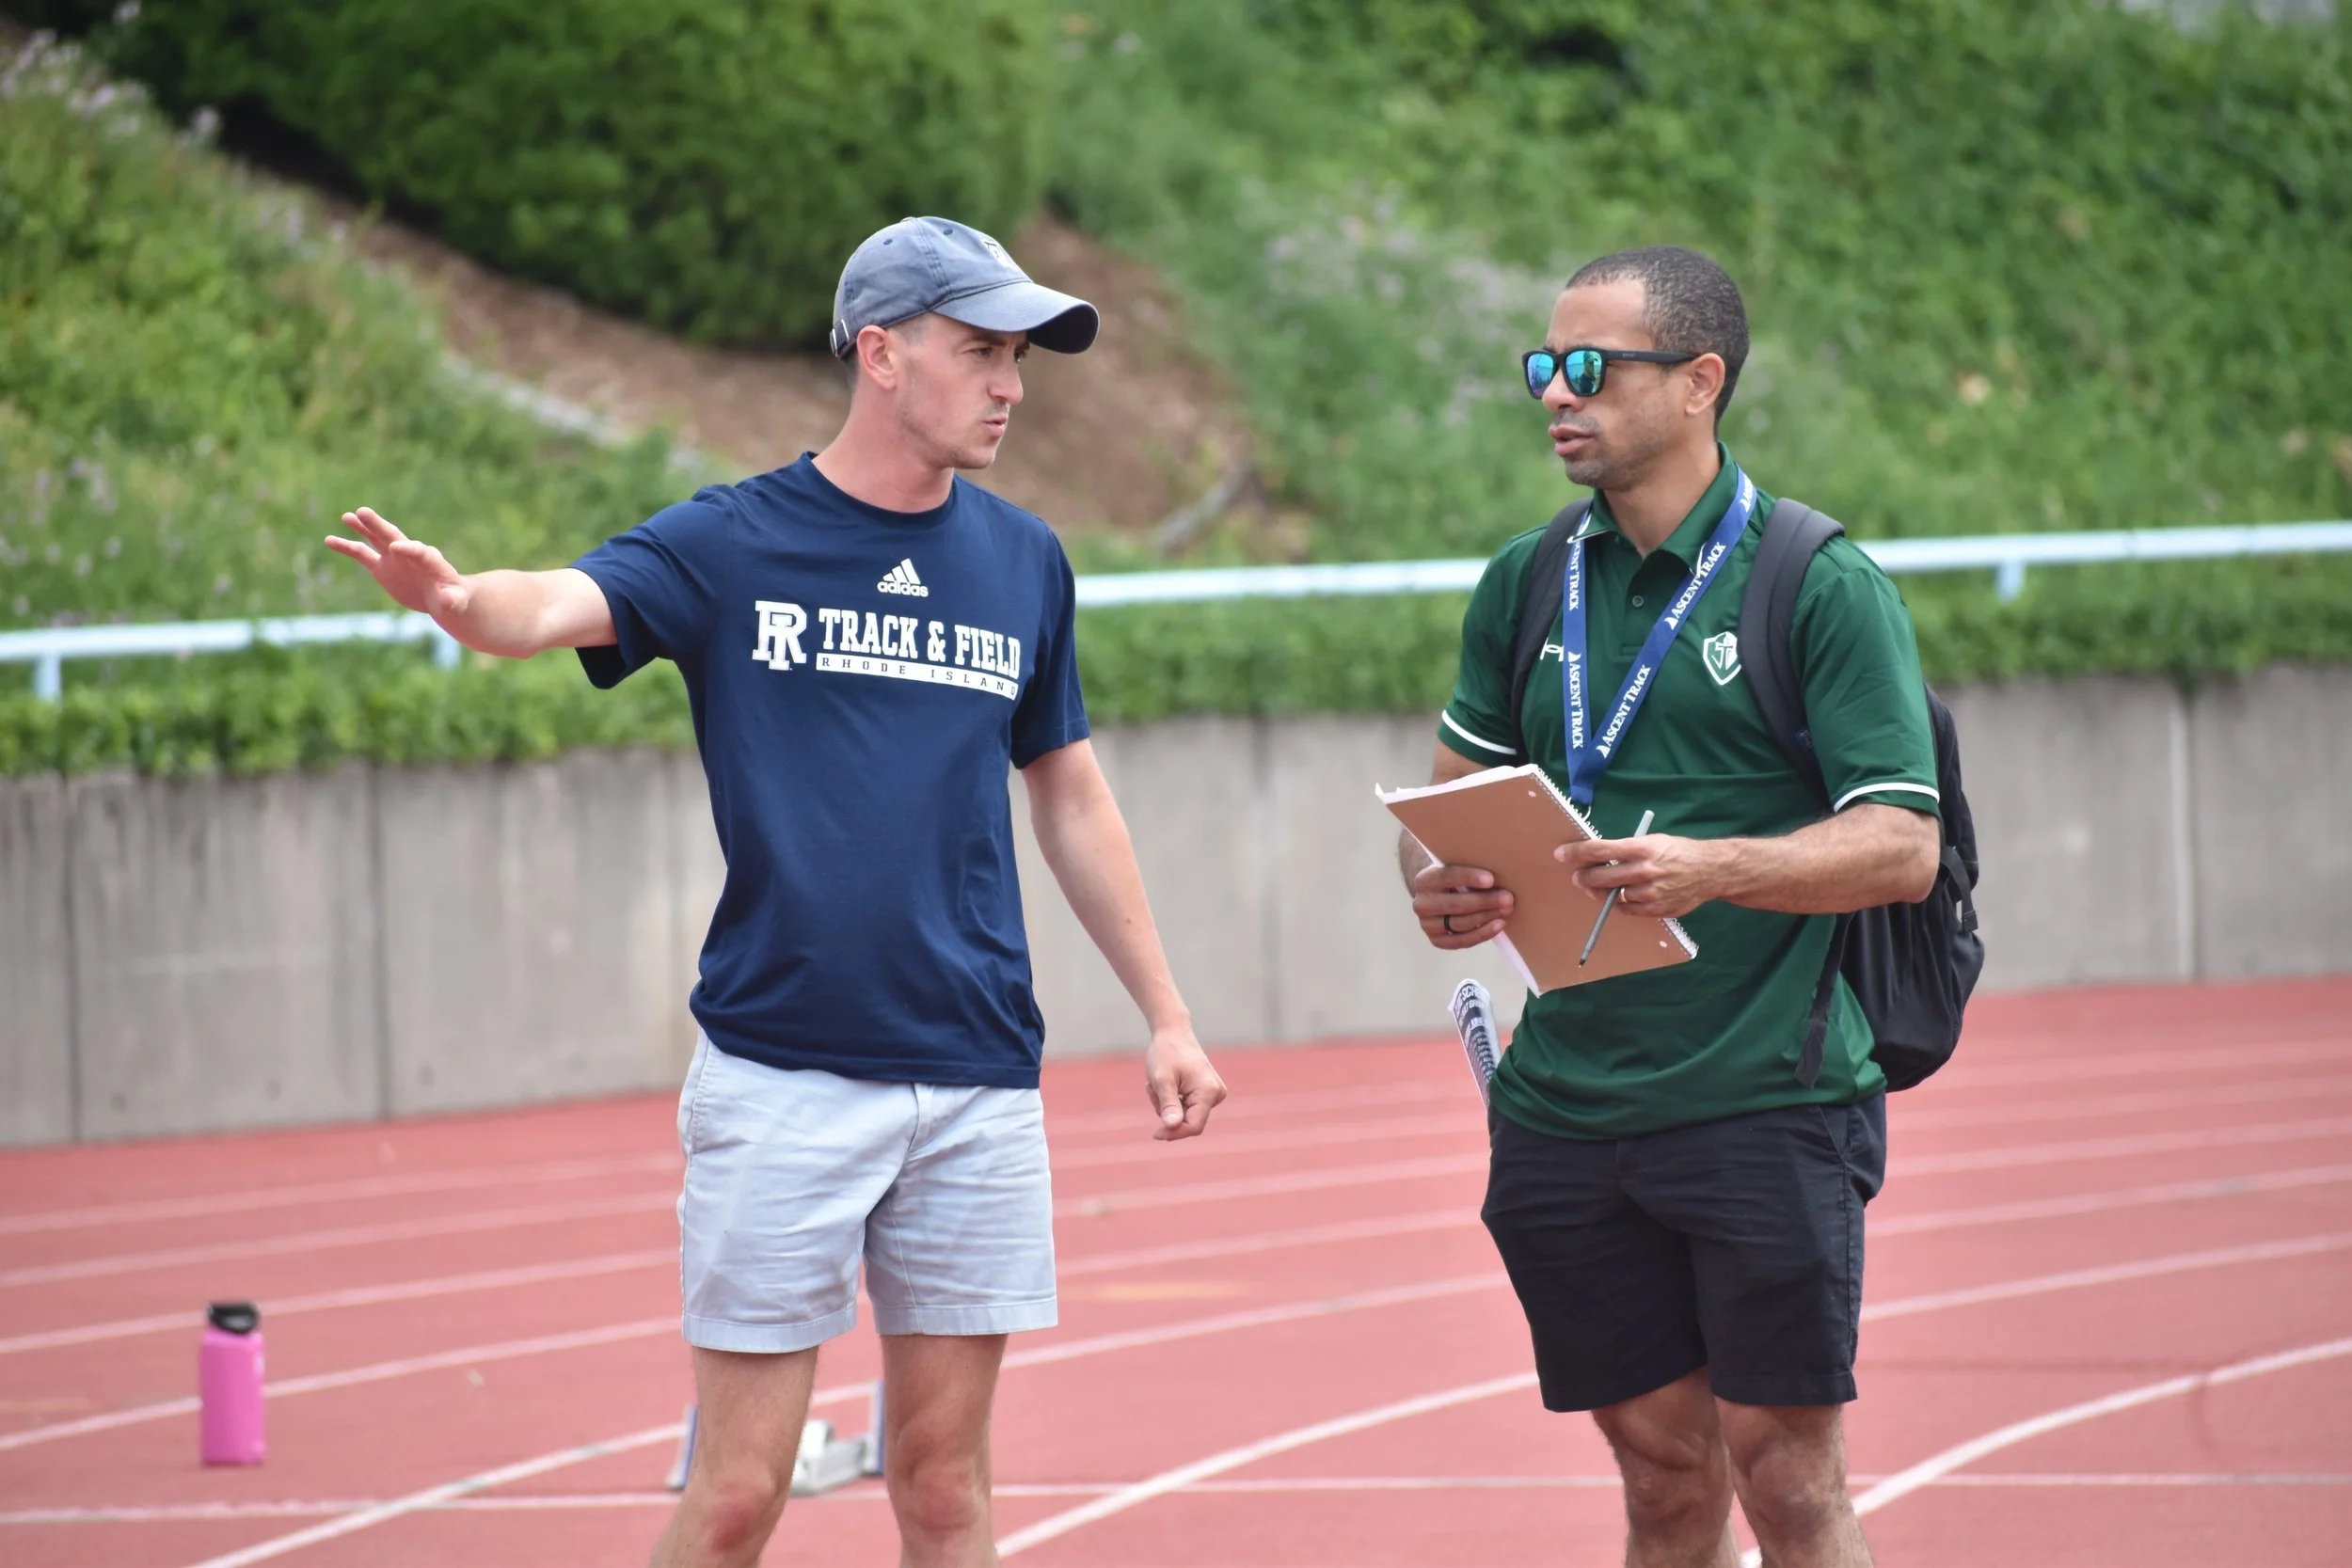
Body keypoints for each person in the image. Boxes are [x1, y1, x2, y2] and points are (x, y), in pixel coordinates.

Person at [328, 216, 1227, 1568]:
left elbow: (1071, 792)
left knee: (943, 1486)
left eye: (1021, 357)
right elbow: (556, 602)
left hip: (976, 1075)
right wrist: (469, 604)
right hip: (785, 1070)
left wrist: (1166, 1011)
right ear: (881, 352)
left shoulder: (1025, 559)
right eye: (983, 349)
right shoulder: (735, 541)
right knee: (741, 1494)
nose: (1013, 385)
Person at [1400, 245, 1941, 1568]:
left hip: (1762, 1097)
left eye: (1591, 369)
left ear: (1700, 383)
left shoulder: (1814, 580)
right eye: (1545, 368)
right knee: (1661, 1475)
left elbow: (1902, 843)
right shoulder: (1526, 582)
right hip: (1567, 1107)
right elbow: (1445, 814)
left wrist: (1718, 866)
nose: (1556, 395)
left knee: (1789, 1477)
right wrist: (1444, 887)